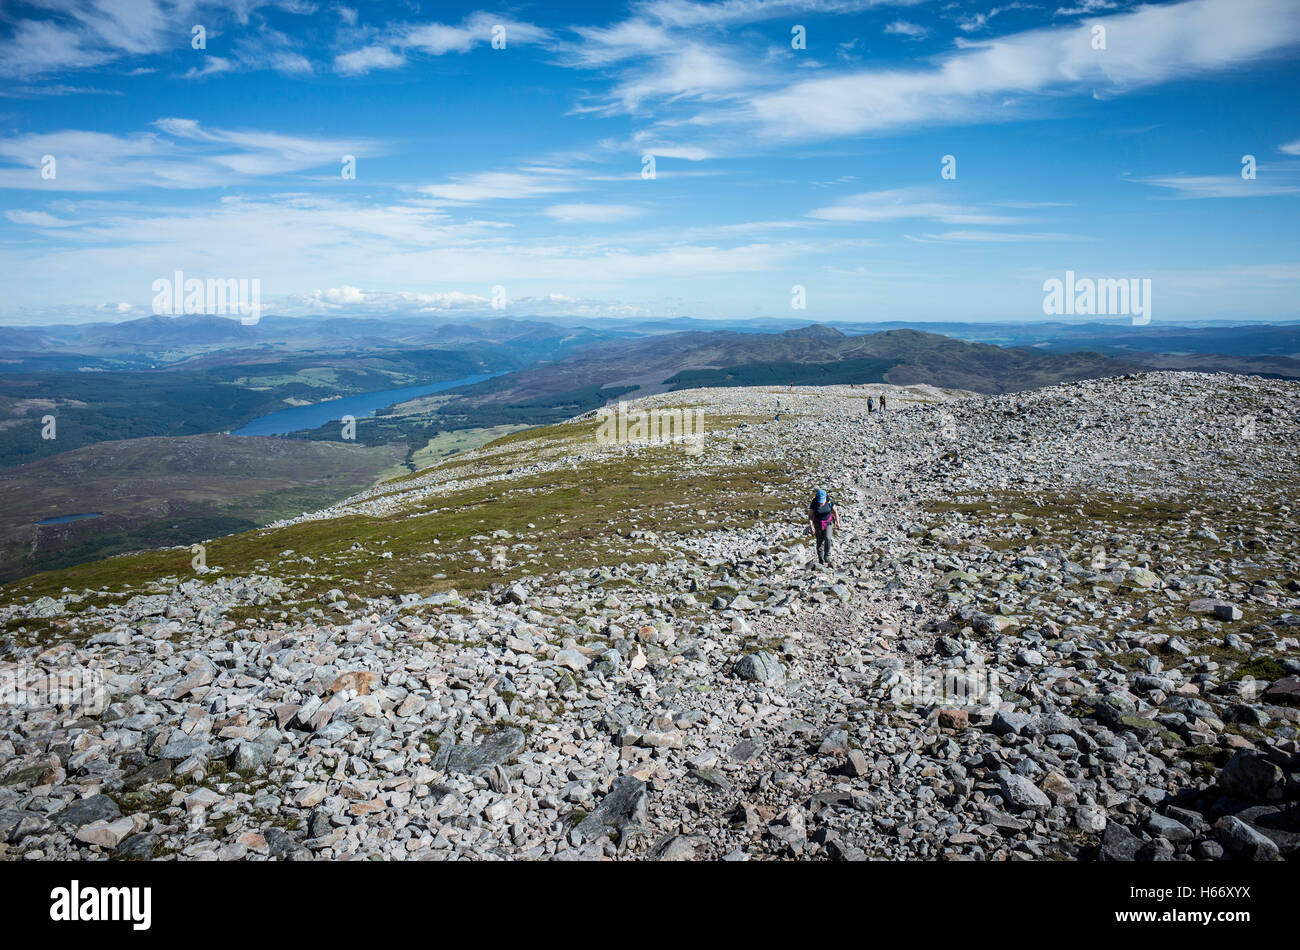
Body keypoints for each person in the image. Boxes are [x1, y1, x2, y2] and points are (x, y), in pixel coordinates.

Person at [808, 488, 839, 567]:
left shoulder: (829, 502)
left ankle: (827, 555)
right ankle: (820, 559)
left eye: (822, 500)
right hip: (818, 523)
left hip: (828, 522)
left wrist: (838, 522)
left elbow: (835, 512)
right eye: (820, 500)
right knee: (819, 541)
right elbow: (811, 516)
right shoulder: (814, 503)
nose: (821, 502)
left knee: (828, 538)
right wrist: (811, 526)